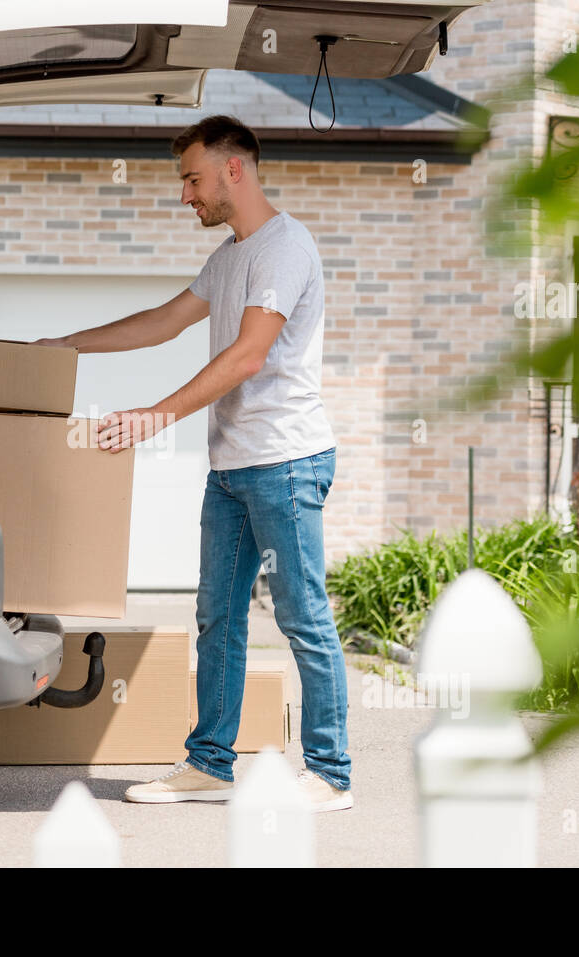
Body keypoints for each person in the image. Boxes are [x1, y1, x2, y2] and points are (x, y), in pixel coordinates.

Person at [33, 115, 352, 812]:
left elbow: (247, 355)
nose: (186, 195)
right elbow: (161, 321)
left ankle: (329, 773)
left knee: (302, 615)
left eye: (192, 178)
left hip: (286, 460)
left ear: (233, 169)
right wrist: (67, 343)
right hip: (233, 467)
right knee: (218, 616)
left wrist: (153, 416)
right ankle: (211, 762)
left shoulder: (285, 247)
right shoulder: (231, 255)